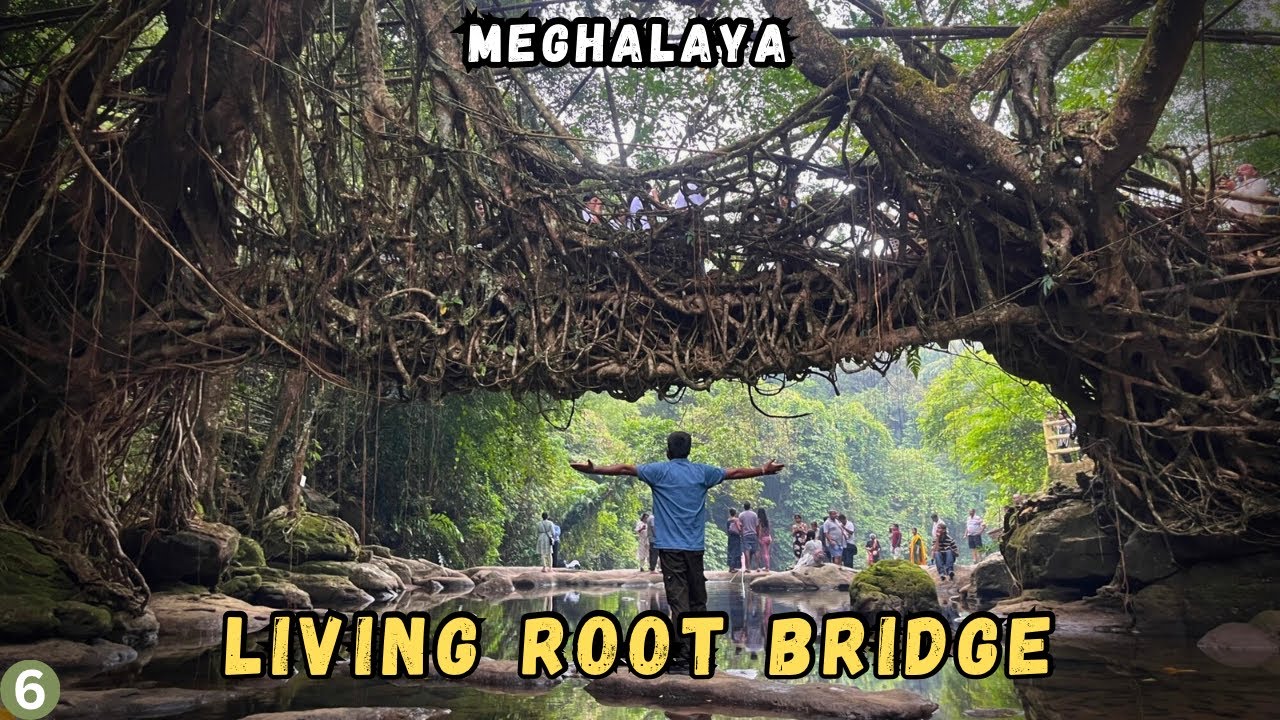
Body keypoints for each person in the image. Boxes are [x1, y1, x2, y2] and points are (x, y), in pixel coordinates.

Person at [569, 431, 784, 668]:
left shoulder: (658, 471)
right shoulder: (702, 472)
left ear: (668, 451)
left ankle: (683, 655)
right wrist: (763, 470)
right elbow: (734, 473)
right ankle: (697, 651)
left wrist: (594, 469)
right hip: (695, 548)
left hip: (670, 549)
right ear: (689, 450)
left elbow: (625, 469)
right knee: (697, 598)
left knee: (679, 599)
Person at [739, 502, 760, 572]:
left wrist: (741, 534)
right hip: (753, 533)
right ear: (750, 506)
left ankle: (748, 568)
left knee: (747, 550)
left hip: (745, 535)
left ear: (744, 507)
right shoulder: (754, 514)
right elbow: (757, 525)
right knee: (756, 550)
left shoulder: (741, 515)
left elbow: (740, 526)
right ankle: (757, 567)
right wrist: (757, 534)